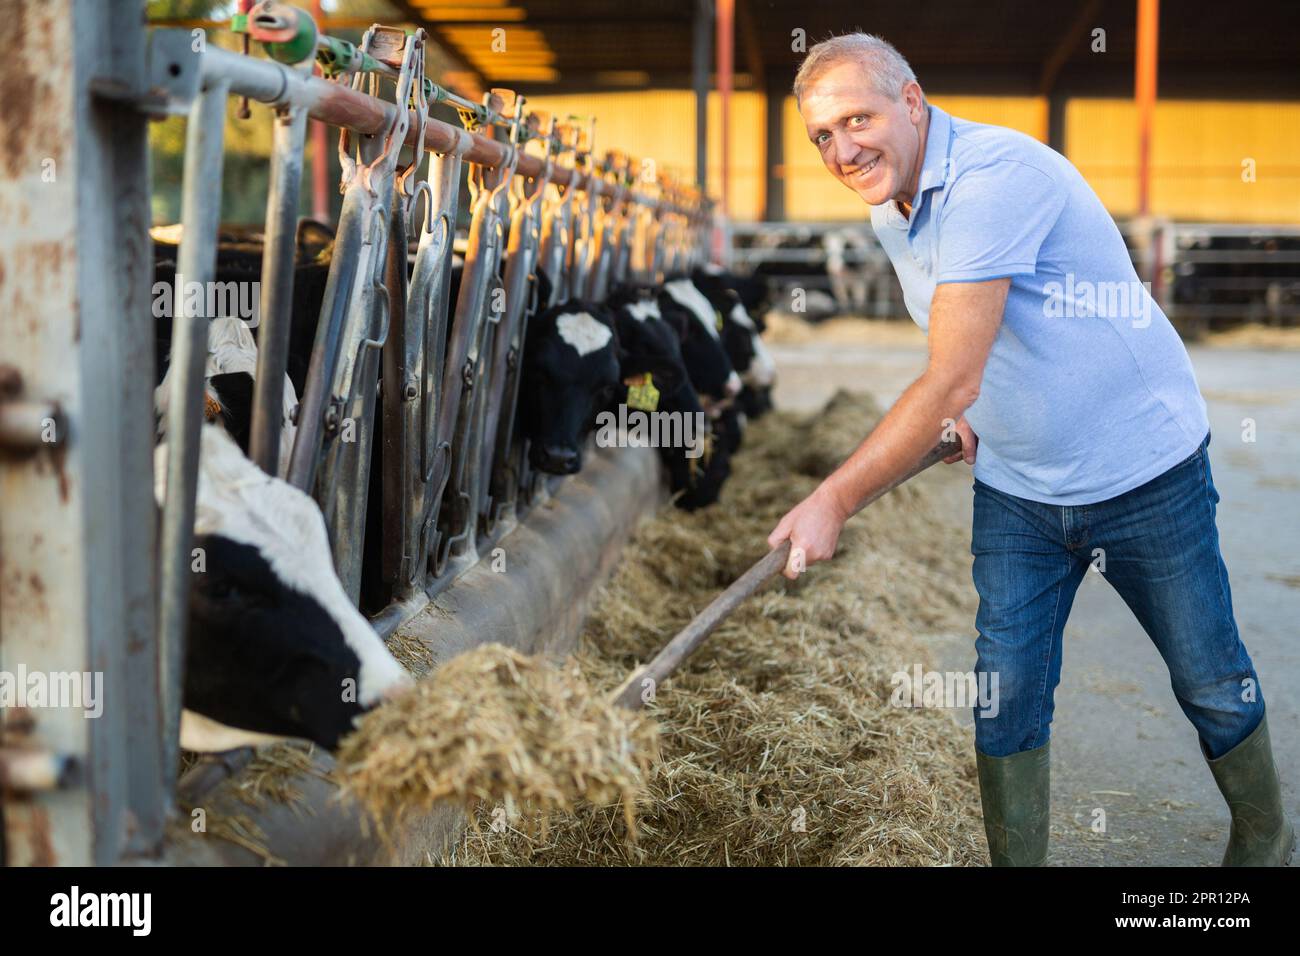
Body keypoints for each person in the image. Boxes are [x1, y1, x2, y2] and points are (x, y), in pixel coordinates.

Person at [767, 32, 1293, 867]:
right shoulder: (887, 208)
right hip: (1018, 487)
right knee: (1004, 695)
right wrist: (972, 406)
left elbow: (949, 376)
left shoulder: (995, 177)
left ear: (911, 101)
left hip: (1143, 470)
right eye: (821, 136)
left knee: (1207, 677)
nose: (841, 148)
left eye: (855, 118)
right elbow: (960, 346)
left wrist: (835, 497)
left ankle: (1265, 839)